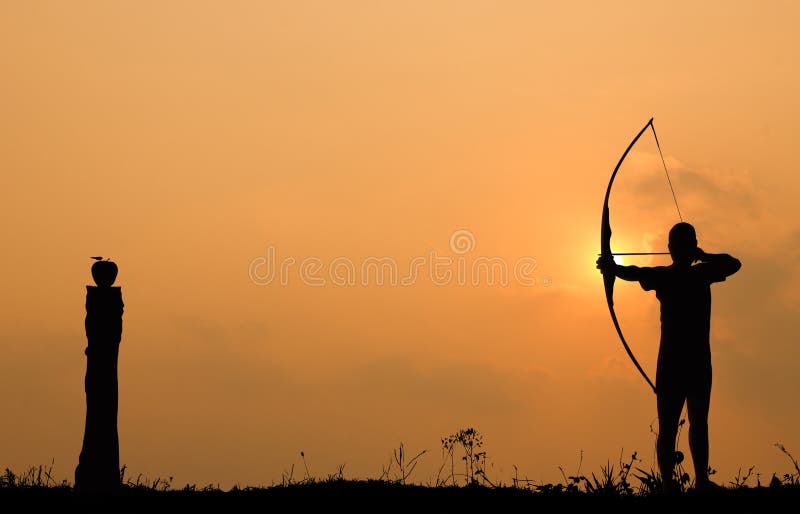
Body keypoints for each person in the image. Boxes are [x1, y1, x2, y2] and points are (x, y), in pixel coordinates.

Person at [596, 222, 741, 492]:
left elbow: (735, 263)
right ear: (672, 248)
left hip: (691, 362)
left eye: (689, 243)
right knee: (672, 425)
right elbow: (634, 272)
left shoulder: (699, 273)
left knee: (696, 422)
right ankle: (668, 484)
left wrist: (612, 267)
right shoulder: (679, 275)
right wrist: (612, 267)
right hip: (679, 363)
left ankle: (699, 482)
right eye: (683, 243)